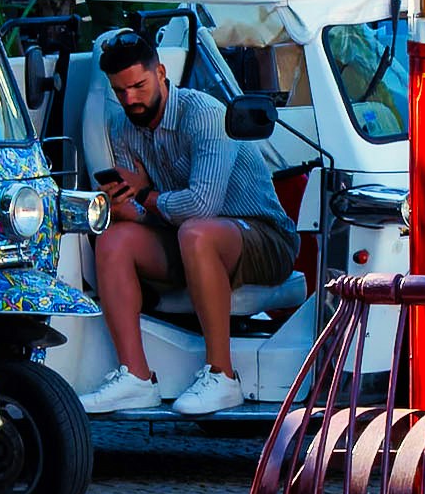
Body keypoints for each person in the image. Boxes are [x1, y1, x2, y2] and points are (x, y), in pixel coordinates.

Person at [74, 28, 287, 416]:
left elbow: (202, 205)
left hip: (264, 236)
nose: (130, 99)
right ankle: (136, 377)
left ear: (161, 72)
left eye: (138, 86)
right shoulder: (123, 128)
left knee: (196, 231)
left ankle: (222, 376)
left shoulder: (204, 114)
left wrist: (143, 196)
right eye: (120, 91)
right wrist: (126, 210)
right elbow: (151, 212)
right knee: (115, 239)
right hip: (188, 237)